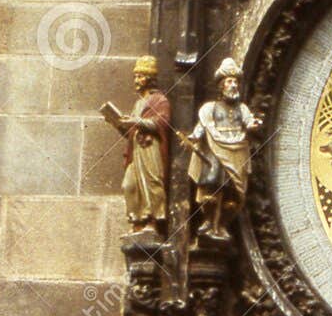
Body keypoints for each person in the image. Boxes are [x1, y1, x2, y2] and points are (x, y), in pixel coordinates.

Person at [187, 57, 263, 241]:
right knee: (211, 183)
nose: (233, 85)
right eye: (229, 81)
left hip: (236, 149)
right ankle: (208, 220)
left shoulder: (242, 109)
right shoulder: (211, 108)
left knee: (232, 192)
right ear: (221, 86)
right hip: (216, 149)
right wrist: (194, 136)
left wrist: (254, 125)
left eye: (235, 82)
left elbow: (249, 121)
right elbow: (203, 125)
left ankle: (222, 224)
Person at [101, 55, 171, 233]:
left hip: (150, 148)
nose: (136, 80)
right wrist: (117, 123)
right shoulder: (138, 103)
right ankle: (137, 221)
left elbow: (161, 123)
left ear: (149, 79)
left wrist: (136, 121)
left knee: (152, 182)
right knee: (129, 185)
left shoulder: (160, 100)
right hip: (136, 149)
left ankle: (152, 220)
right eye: (136, 76)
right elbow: (130, 132)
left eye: (140, 76)